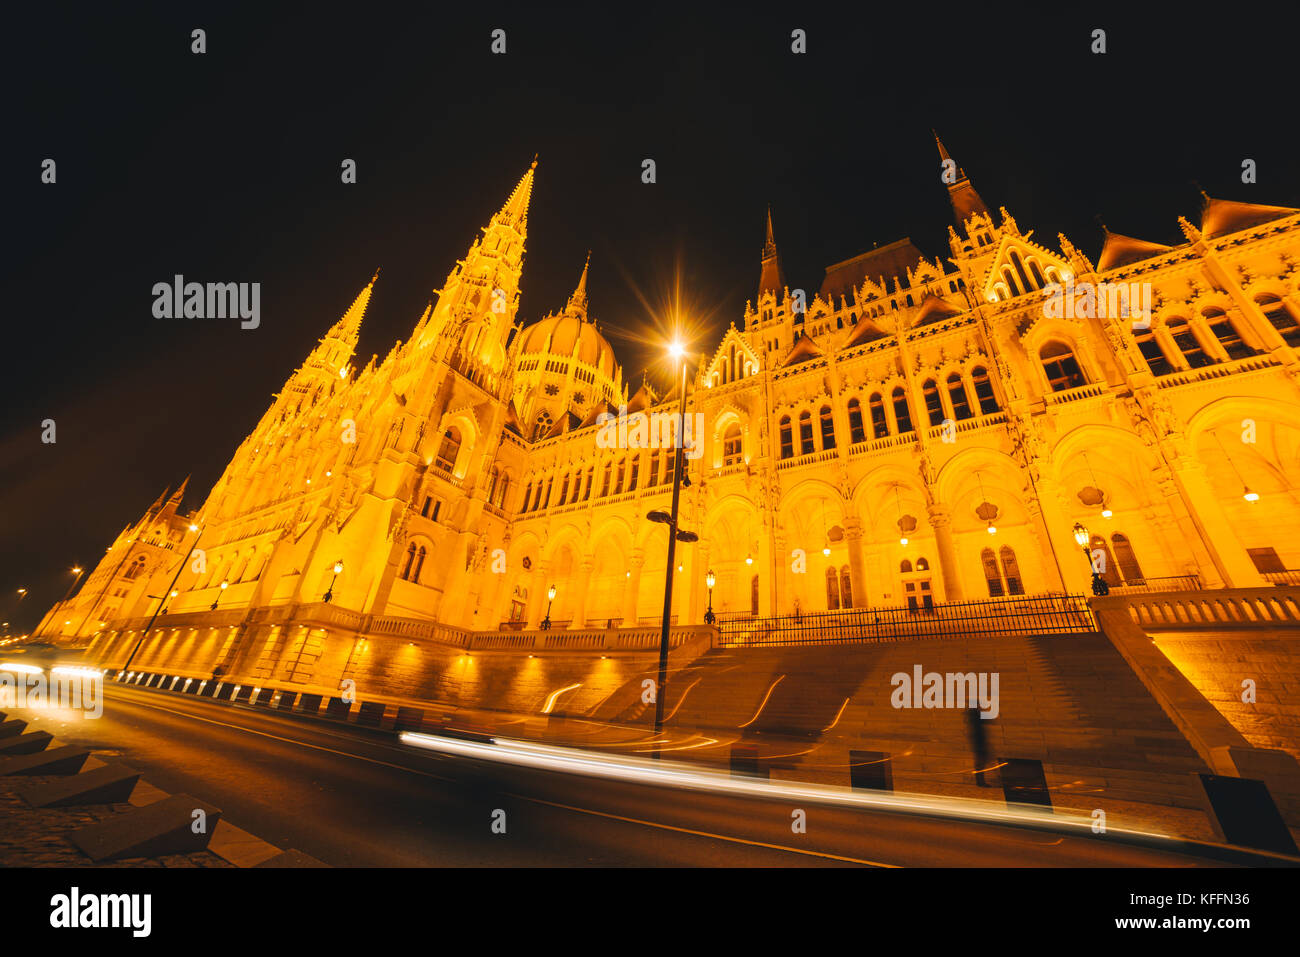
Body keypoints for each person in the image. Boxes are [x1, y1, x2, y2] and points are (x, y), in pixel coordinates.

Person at [966, 705, 990, 787]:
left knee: (980, 764)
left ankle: (980, 782)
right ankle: (980, 782)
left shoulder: (972, 715)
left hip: (978, 743)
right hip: (979, 743)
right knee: (980, 764)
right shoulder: (975, 715)